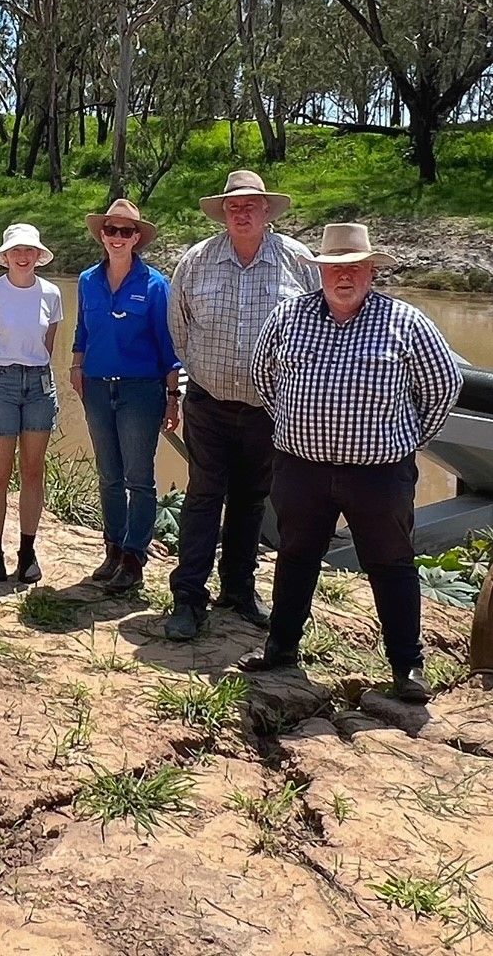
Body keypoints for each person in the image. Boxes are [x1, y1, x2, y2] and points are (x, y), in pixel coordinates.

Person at [241, 222, 463, 704]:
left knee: (392, 565)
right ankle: (281, 648)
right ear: (321, 271)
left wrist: (405, 440)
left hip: (380, 474)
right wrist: (295, 427)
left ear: (371, 271)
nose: (345, 277)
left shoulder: (407, 323)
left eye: (355, 267)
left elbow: (444, 388)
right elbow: (263, 380)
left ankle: (407, 665)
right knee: (295, 559)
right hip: (302, 469)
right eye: (335, 268)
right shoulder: (287, 318)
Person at [162, 170, 318, 642]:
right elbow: (180, 330)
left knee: (252, 501)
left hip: (270, 409)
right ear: (223, 213)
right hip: (208, 404)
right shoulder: (195, 261)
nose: (242, 212)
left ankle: (238, 590)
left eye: (251, 204)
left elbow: (318, 326)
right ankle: (188, 598)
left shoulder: (300, 263)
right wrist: (202, 379)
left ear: (267, 210)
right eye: (234, 205)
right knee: (203, 498)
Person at [70, 199, 181, 594]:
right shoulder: (87, 281)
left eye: (126, 231)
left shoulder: (156, 285)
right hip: (97, 387)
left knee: (139, 478)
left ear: (137, 238)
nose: (118, 238)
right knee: (108, 476)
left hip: (141, 390)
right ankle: (113, 549)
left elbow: (169, 346)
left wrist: (173, 395)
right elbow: (82, 331)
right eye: (111, 230)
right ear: (102, 234)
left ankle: (135, 559)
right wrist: (76, 368)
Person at [0, 222, 63, 585]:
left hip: (39, 383)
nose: (23, 257)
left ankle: (27, 551)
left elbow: (48, 343)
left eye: (30, 251)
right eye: (16, 251)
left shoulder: (52, 294)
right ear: (5, 256)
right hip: (1, 382)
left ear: (39, 256)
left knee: (34, 470)